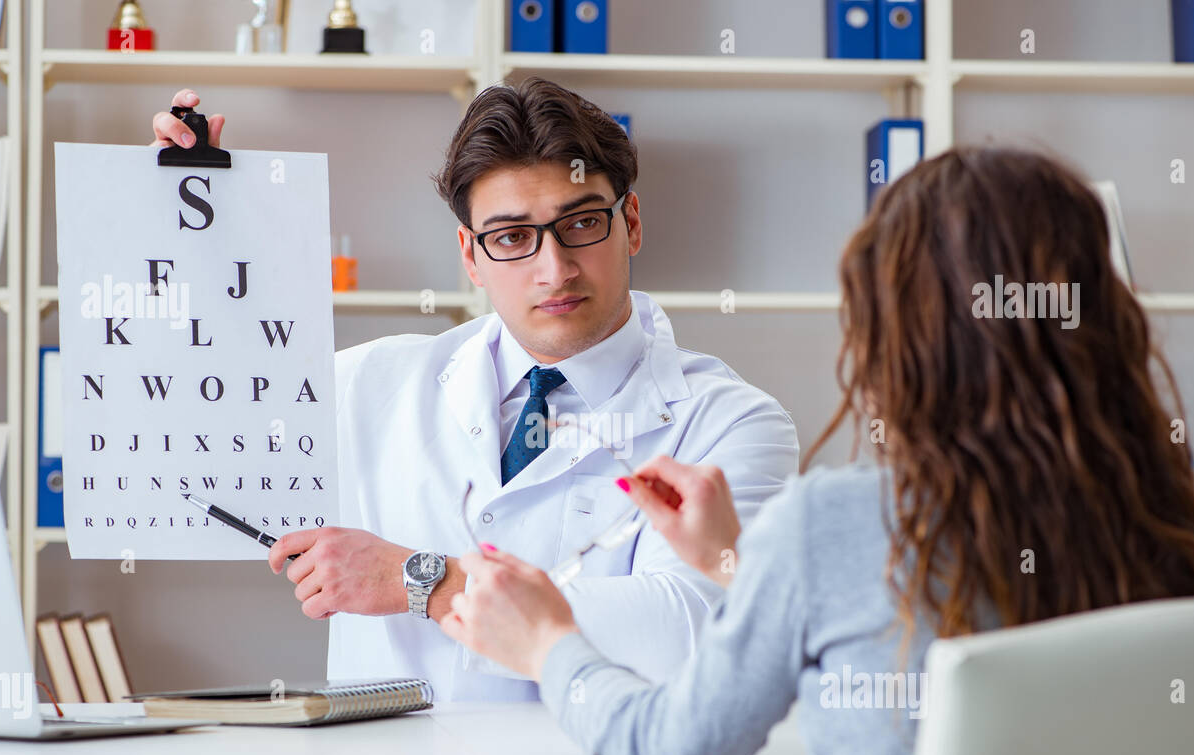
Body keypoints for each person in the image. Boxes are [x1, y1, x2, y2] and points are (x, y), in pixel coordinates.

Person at [436, 146, 1194, 755]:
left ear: (901, 335)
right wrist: (734, 561)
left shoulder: (832, 521)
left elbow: (664, 751)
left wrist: (547, 643)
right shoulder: (1171, 527)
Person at [150, 83, 798, 701]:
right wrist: (187, 220)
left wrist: (426, 581)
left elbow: (699, 632)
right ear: (470, 255)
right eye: (513, 237)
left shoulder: (730, 423)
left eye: (580, 224)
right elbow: (178, 423)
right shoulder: (366, 387)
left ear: (629, 221)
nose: (555, 268)